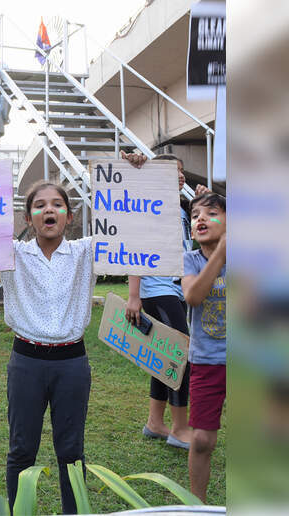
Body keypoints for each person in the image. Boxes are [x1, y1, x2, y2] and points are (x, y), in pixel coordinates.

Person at [0, 152, 145, 514]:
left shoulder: (86, 251)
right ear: (28, 218)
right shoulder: (11, 253)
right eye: (40, 205)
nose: (49, 210)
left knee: (71, 452)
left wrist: (137, 174)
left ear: (69, 216)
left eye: (58, 204)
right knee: (21, 450)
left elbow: (132, 228)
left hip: (72, 364)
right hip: (26, 363)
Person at [125, 154, 193, 449]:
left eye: (182, 170)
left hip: (178, 289)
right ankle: (179, 428)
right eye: (173, 170)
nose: (181, 175)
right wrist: (133, 295)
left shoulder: (180, 209)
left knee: (164, 355)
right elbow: (135, 248)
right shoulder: (149, 206)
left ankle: (155, 423)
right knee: (180, 354)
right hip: (157, 289)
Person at [181, 190, 226, 503]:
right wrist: (221, 254)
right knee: (200, 440)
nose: (201, 219)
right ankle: (198, 506)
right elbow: (193, 296)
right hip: (207, 361)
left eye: (211, 213)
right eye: (195, 215)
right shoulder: (190, 260)